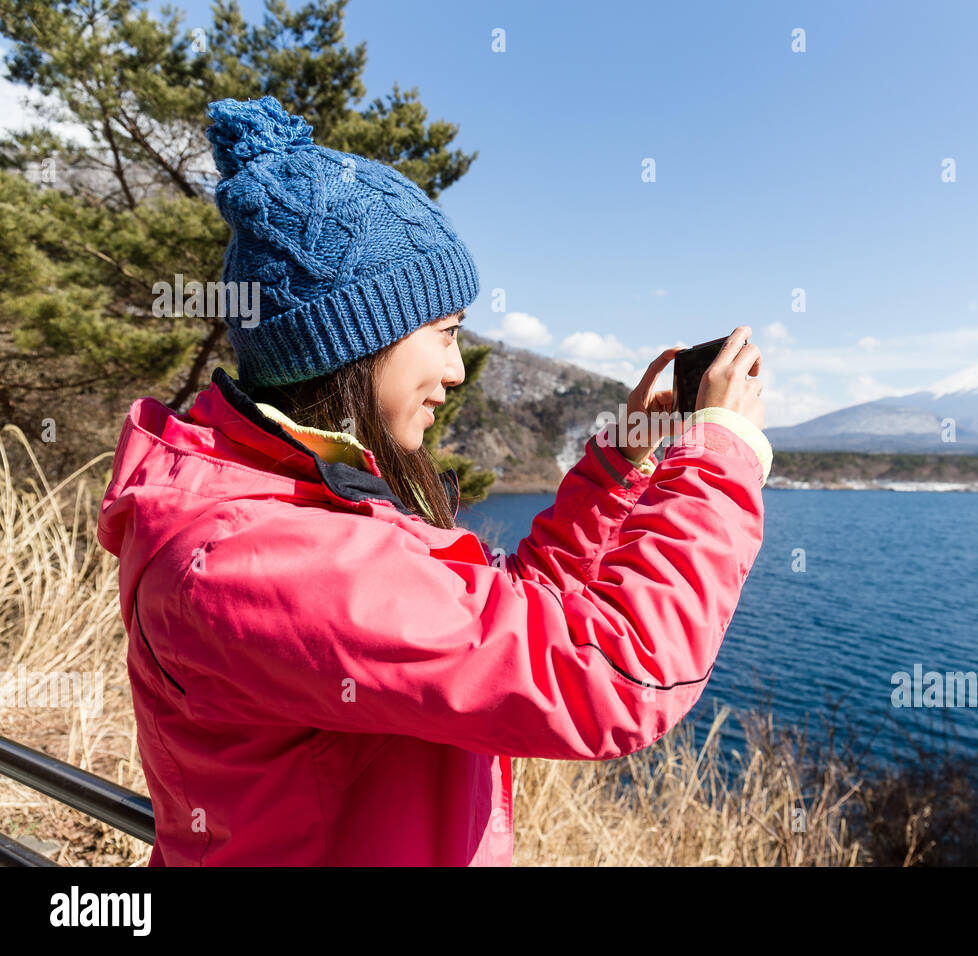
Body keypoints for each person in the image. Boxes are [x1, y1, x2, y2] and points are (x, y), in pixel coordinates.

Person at [96, 96, 771, 866]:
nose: (455, 371)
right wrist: (721, 458)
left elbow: (506, 618)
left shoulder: (301, 497)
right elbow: (614, 675)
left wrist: (622, 465)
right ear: (358, 339)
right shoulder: (261, 559)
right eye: (446, 334)